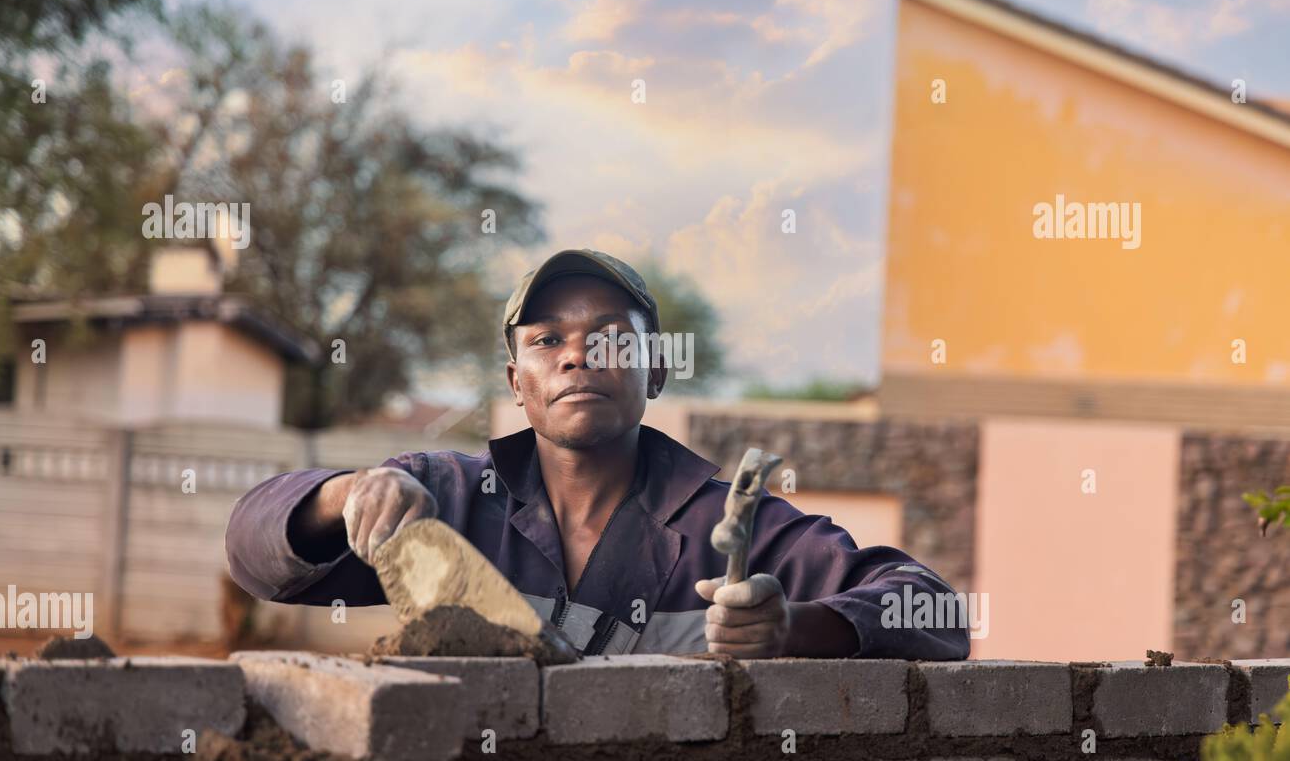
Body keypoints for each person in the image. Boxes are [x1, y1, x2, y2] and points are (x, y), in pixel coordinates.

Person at [225, 249, 970, 659]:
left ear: (657, 369)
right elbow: (251, 552)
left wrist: (794, 629)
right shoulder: (445, 499)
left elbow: (935, 608)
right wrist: (347, 493)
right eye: (547, 340)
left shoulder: (735, 530)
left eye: (611, 336)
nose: (578, 356)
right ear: (518, 383)